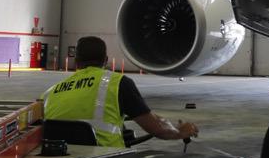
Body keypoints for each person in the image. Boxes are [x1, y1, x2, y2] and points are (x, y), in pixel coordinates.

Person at [42, 36, 199, 147]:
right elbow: (156, 128)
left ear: (76, 62)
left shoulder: (50, 93)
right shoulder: (118, 83)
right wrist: (179, 132)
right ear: (105, 60)